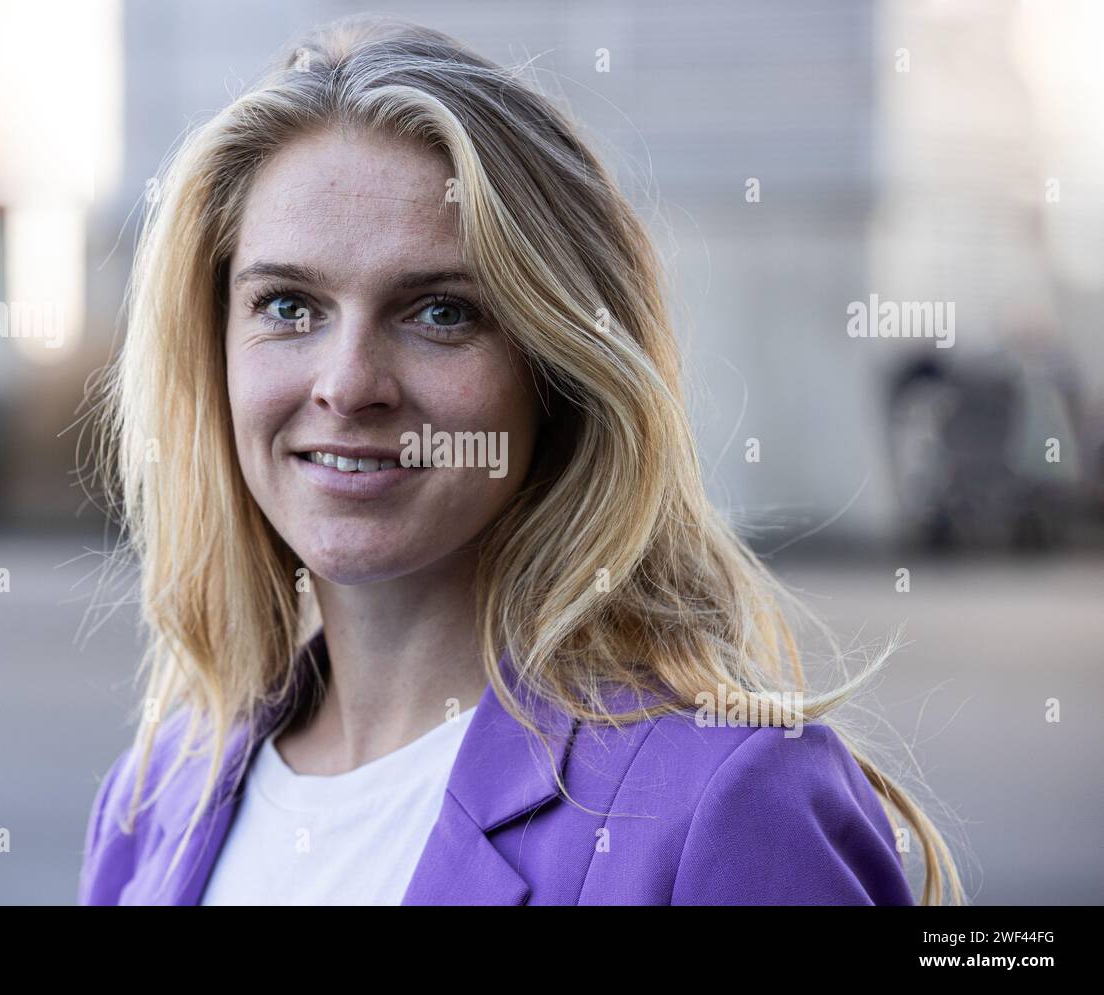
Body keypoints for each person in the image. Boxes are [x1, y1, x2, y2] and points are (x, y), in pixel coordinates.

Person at [78, 14, 963, 905]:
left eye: (441, 312)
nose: (347, 386)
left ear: (556, 370)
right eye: (288, 305)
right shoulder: (155, 802)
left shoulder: (727, 806)